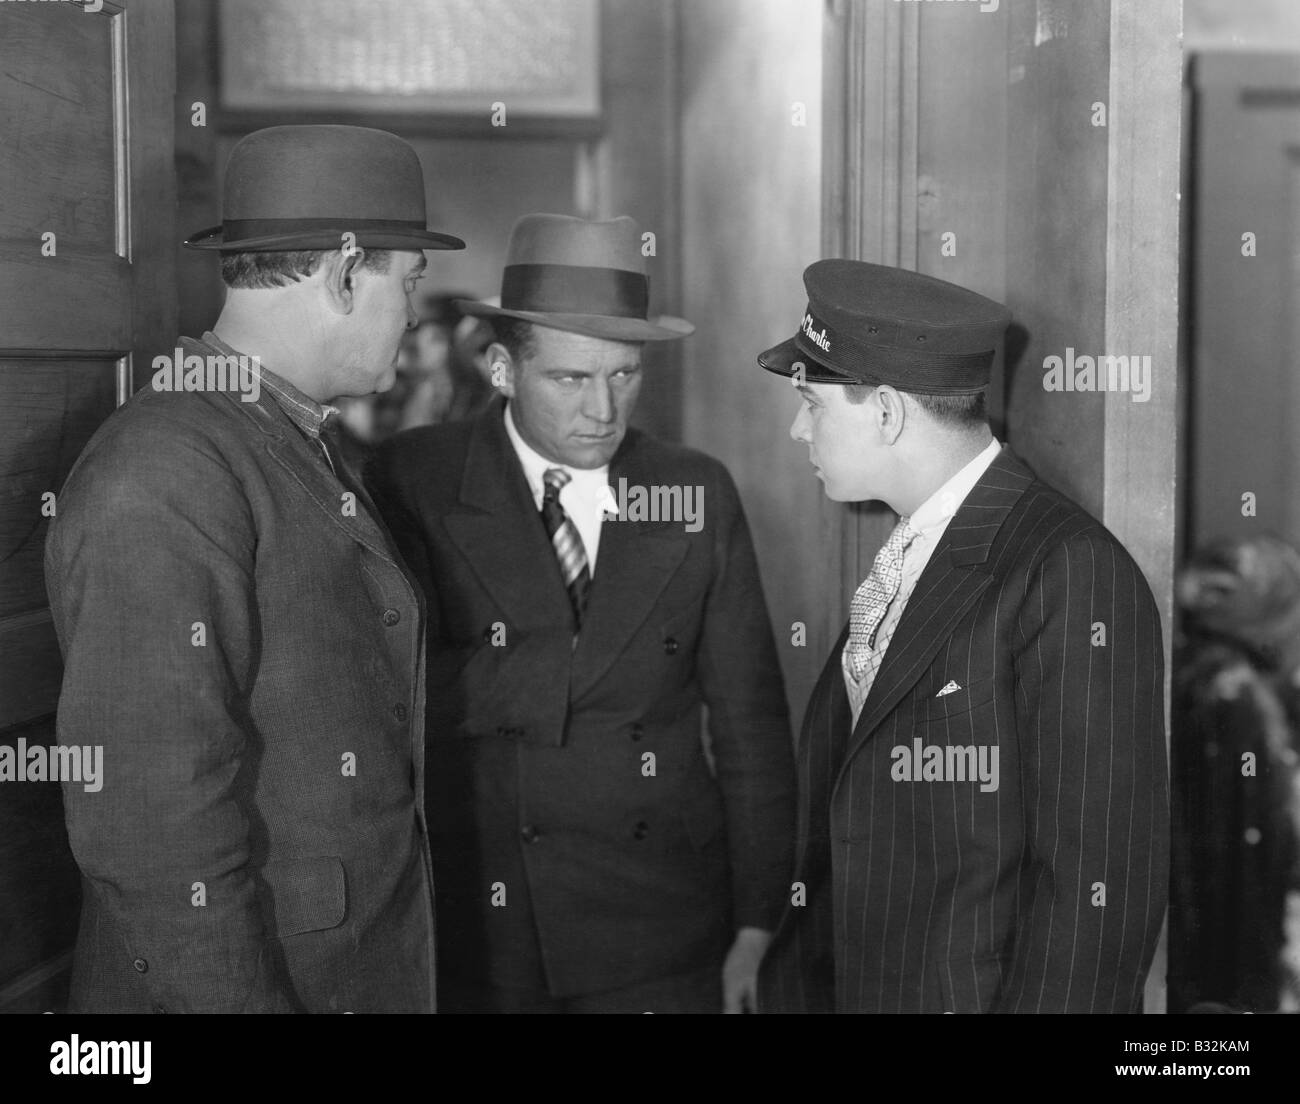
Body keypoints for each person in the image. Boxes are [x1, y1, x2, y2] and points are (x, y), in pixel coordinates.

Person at [44, 125, 464, 1012]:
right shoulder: (165, 468)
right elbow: (152, 832)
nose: (412, 314)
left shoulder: (280, 431)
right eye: (408, 282)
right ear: (345, 273)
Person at [367, 213, 796, 1013]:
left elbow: (753, 726)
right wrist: (570, 669)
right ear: (502, 369)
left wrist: (758, 920)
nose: (603, 408)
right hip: (486, 921)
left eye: (624, 375)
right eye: (570, 379)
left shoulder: (694, 489)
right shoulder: (414, 478)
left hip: (665, 922)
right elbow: (391, 686)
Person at [754, 259, 1169, 1013]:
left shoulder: (1068, 567)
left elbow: (1097, 888)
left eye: (811, 403)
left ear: (886, 412)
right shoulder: (916, 545)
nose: (797, 428)